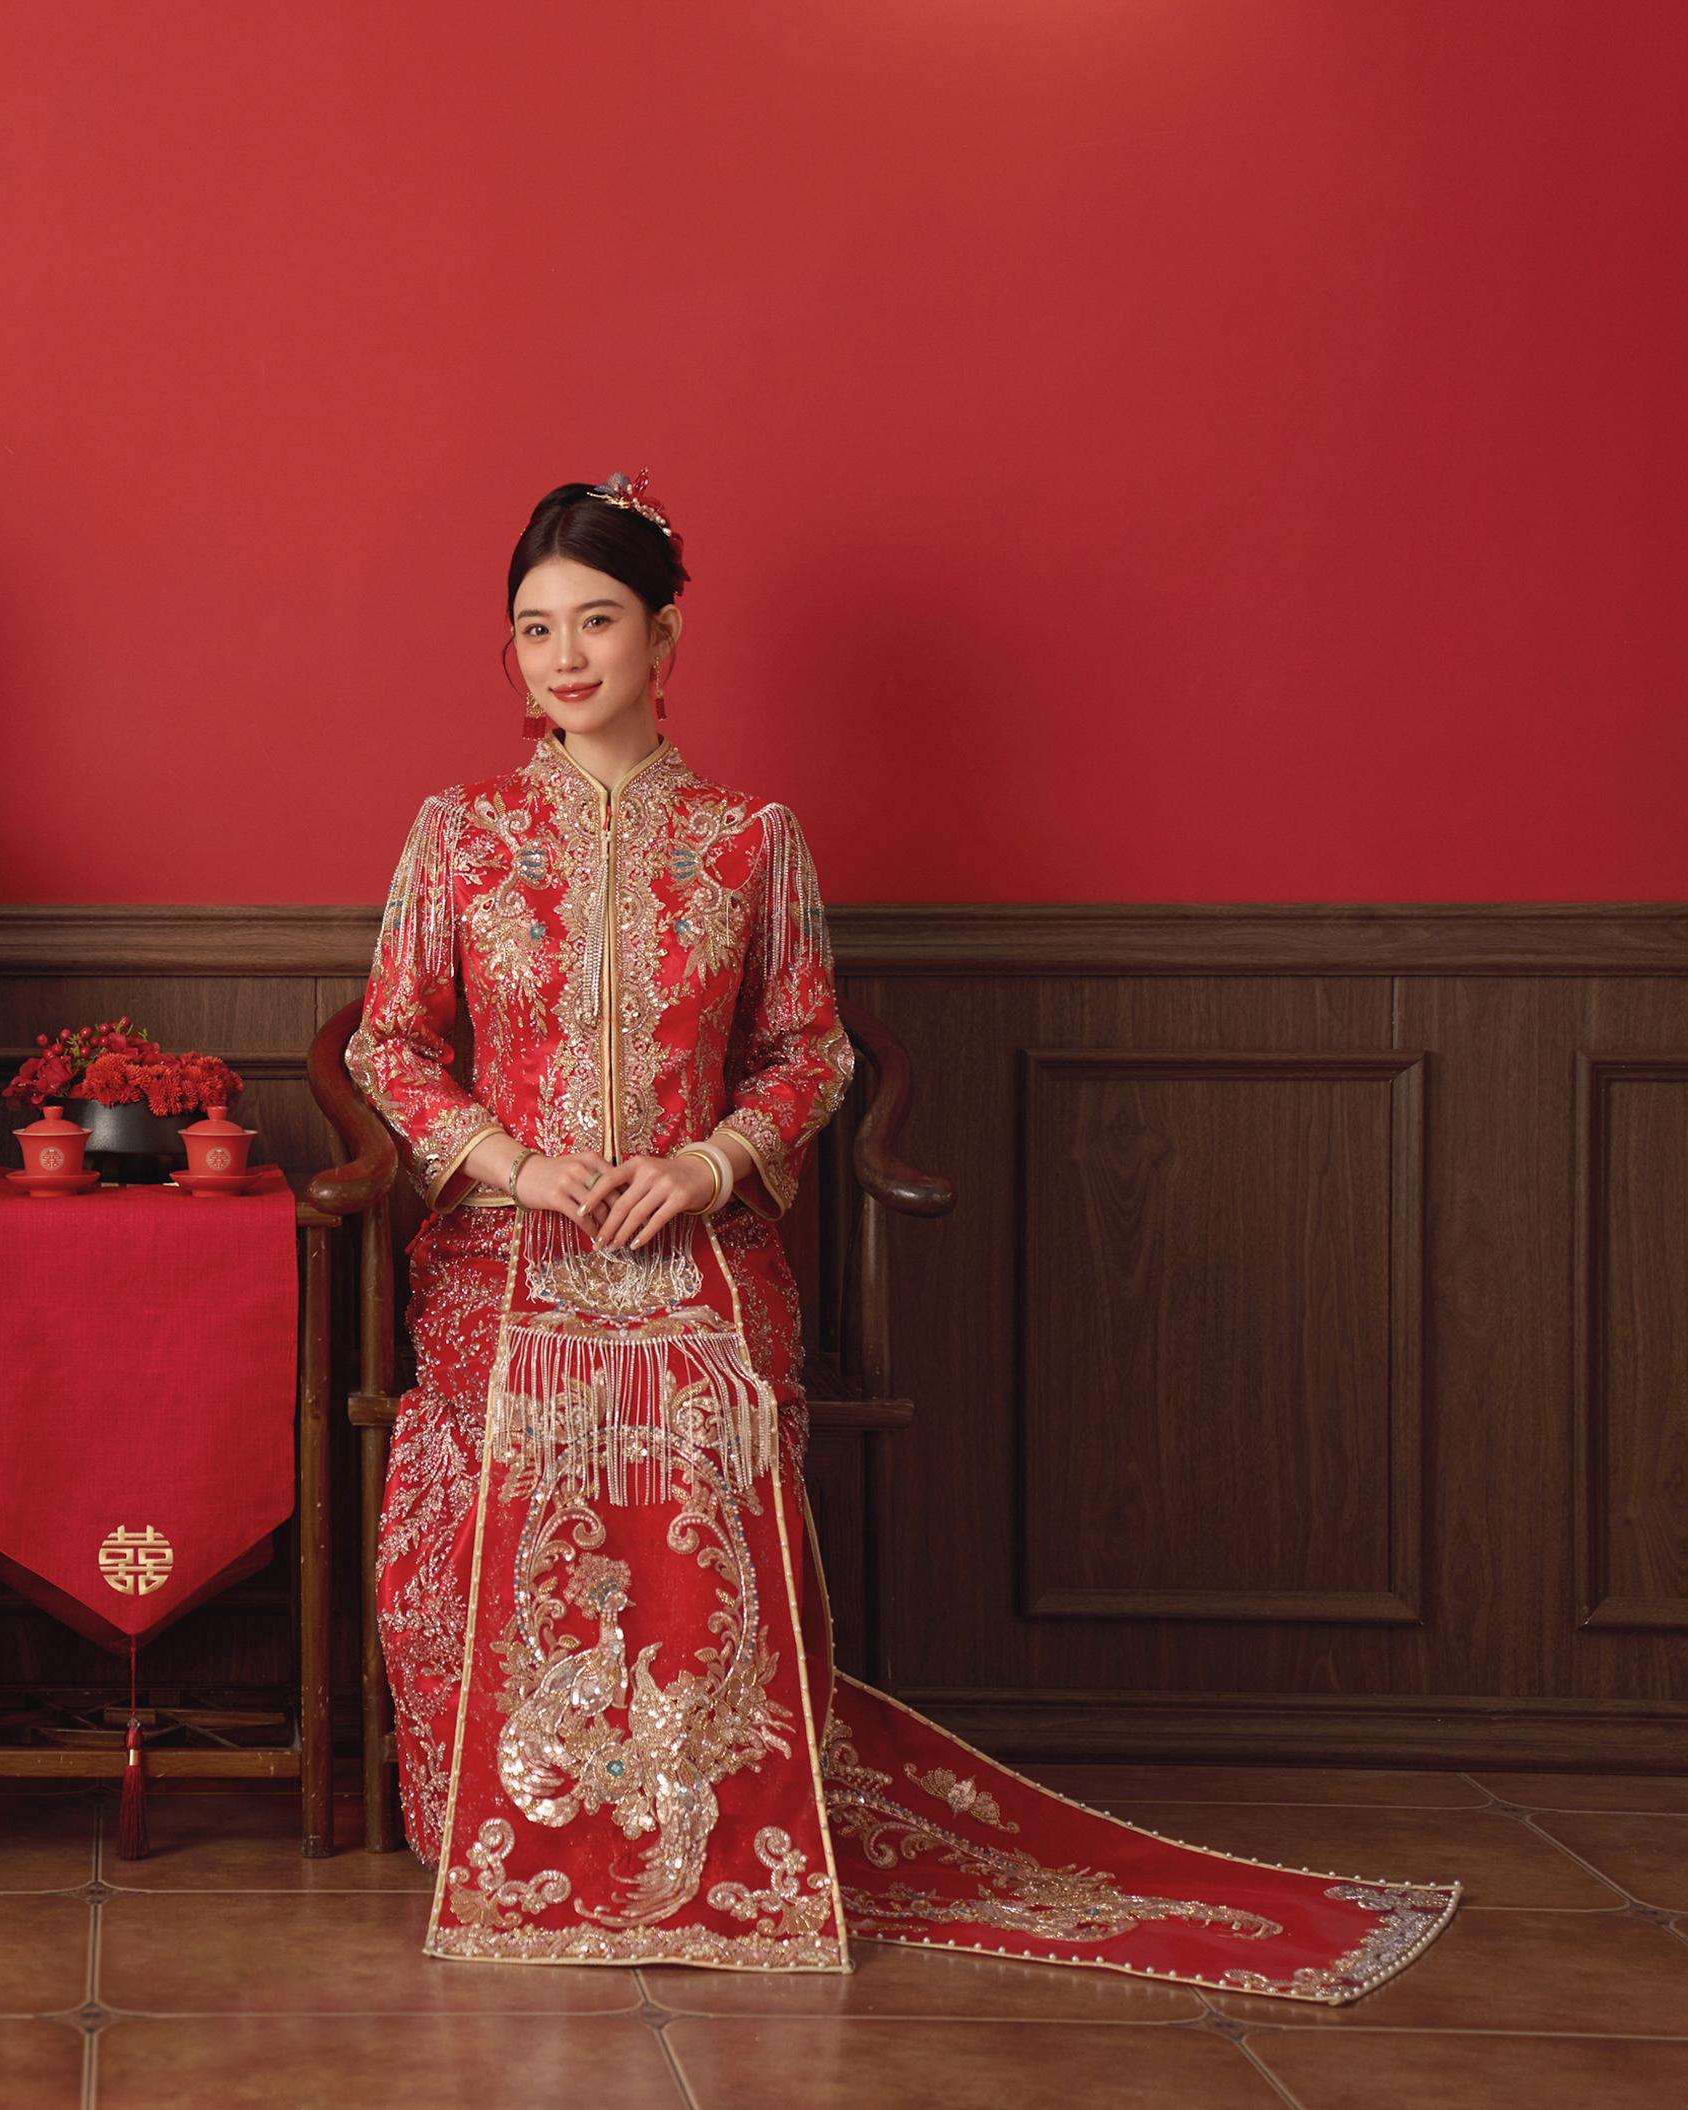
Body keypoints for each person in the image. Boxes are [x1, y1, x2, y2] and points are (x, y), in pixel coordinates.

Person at [346, 473, 1457, 1999]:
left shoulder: (747, 840)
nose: (564, 655)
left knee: (701, 1404)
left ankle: (699, 1805)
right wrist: (521, 1168)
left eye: (594, 620)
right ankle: (514, 1811)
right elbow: (393, 1045)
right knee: (495, 1415)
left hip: (696, 1243)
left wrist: (706, 1167)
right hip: (506, 1246)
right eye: (533, 628)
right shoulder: (460, 834)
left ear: (664, 636)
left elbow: (804, 1053)